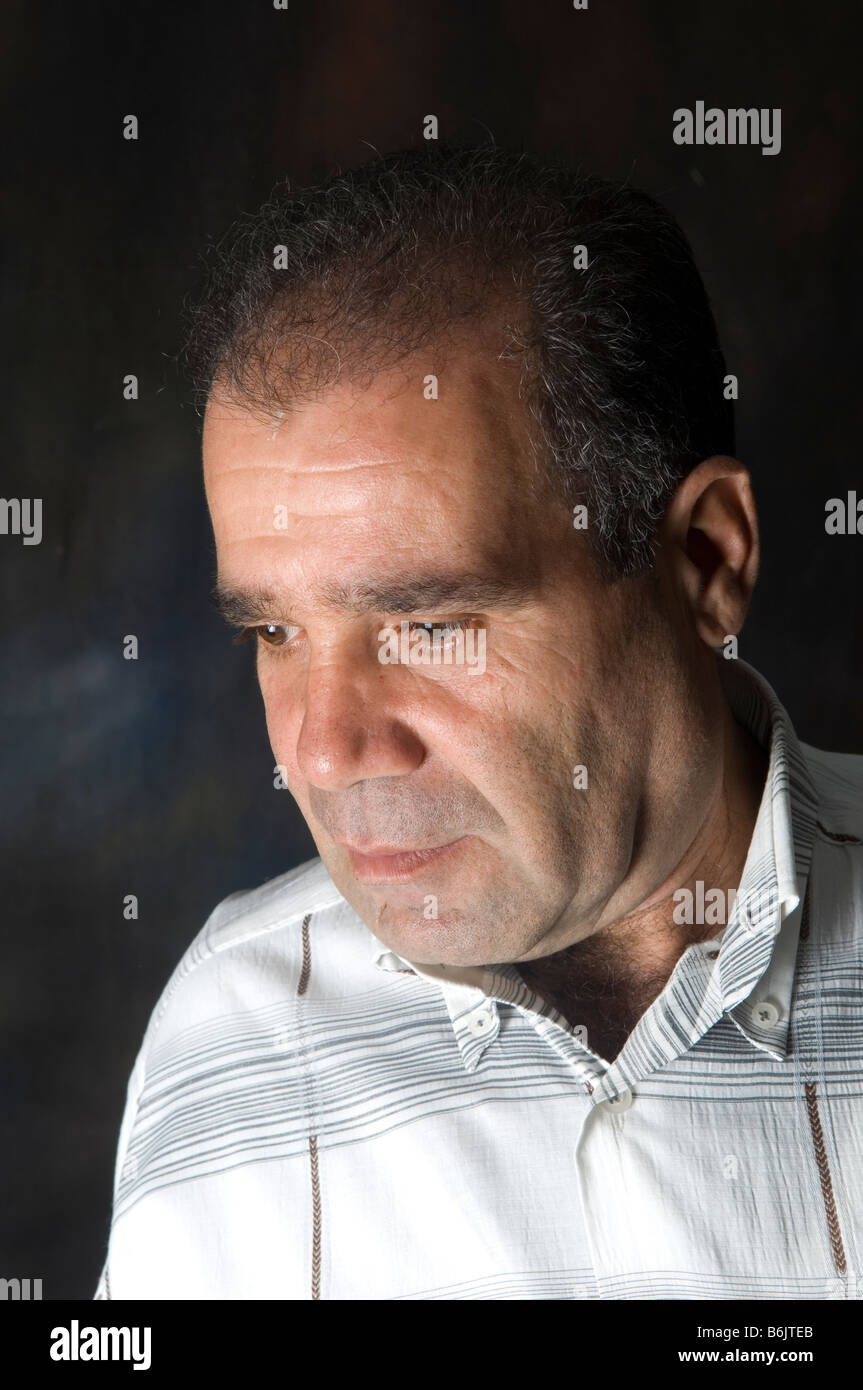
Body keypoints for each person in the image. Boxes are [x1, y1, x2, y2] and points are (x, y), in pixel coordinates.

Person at [95, 145, 862, 1300]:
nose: (320, 750)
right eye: (273, 634)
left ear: (705, 559)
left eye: (429, 621)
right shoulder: (224, 1036)